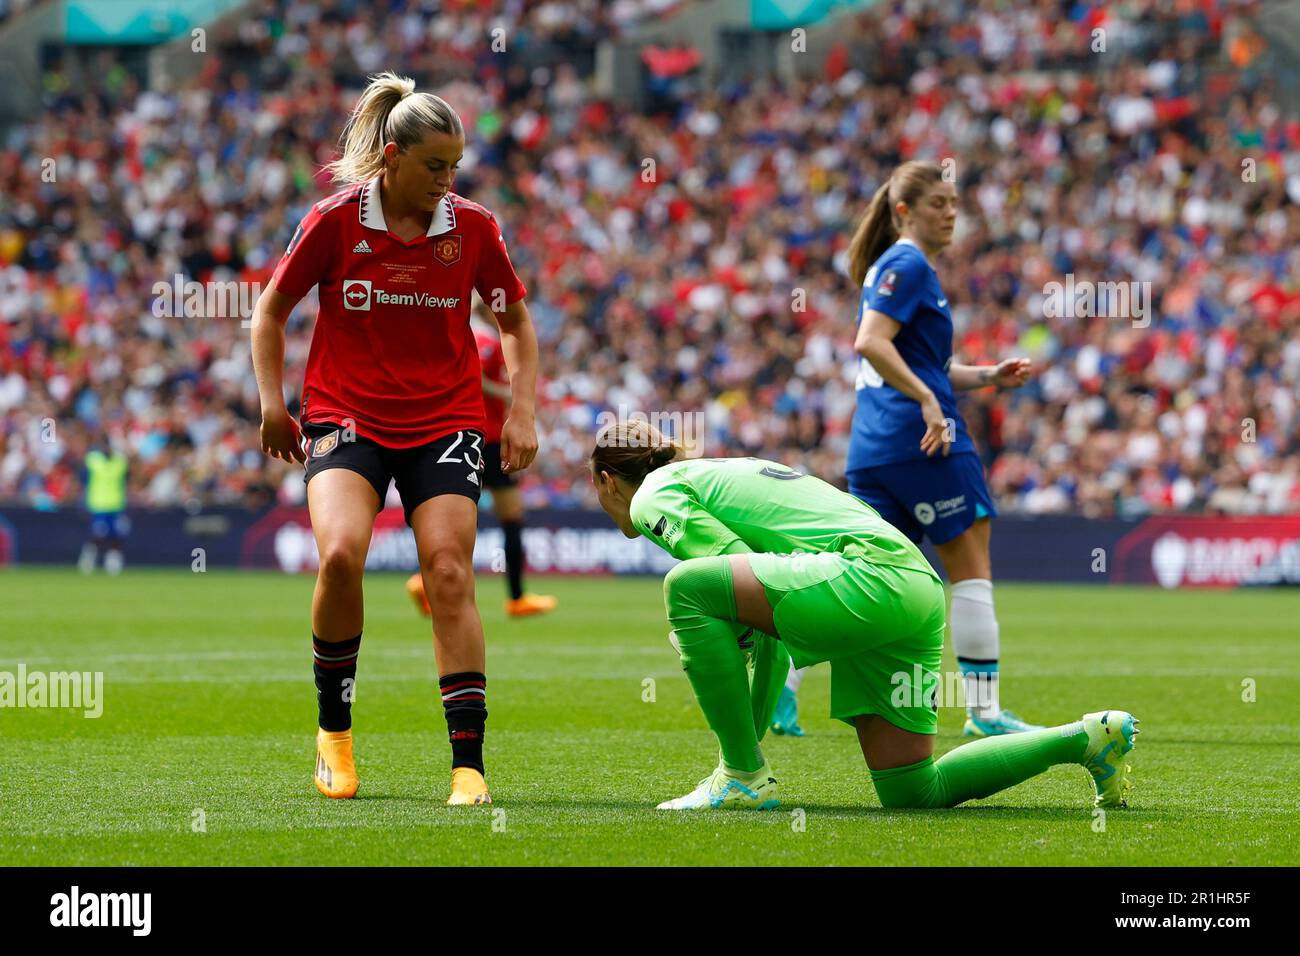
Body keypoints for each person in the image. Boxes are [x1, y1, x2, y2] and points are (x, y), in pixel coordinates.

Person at [590, 421, 1138, 811]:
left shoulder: (654, 493)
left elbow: (726, 567)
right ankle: (1086, 739)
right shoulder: (715, 473)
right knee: (913, 790)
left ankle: (742, 778)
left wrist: (744, 759)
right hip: (915, 588)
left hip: (867, 577)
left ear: (607, 481)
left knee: (685, 588)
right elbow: (761, 617)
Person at [251, 71, 540, 806]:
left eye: (455, 168)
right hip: (346, 416)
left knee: (448, 571)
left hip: (444, 420)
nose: (448, 181)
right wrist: (272, 405)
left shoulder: (473, 227)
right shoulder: (333, 220)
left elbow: (515, 322)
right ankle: (334, 736)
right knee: (342, 556)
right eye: (434, 166)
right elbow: (270, 312)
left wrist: (524, 410)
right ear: (392, 157)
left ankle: (468, 767)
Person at [841, 158, 1040, 737]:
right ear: (904, 211)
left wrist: (989, 375)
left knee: (866, 580)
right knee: (971, 569)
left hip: (873, 448)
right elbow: (871, 343)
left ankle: (786, 683)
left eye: (955, 204)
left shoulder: (890, 266)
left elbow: (918, 361)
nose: (951, 213)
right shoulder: (907, 262)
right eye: (938, 204)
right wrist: (929, 401)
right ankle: (985, 714)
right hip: (926, 442)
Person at [406, 300, 557, 619]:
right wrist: (513, 396)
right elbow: (471, 377)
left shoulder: (480, 334)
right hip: (484, 436)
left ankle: (430, 583)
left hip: (475, 434)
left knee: (475, 513)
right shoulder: (485, 338)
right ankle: (514, 597)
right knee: (503, 515)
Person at [78, 433, 129, 576]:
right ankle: (88, 559)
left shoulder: (120, 462)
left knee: (116, 536)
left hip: (116, 504)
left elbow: (126, 481)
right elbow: (84, 480)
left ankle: (113, 563)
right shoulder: (92, 461)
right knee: (97, 535)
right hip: (98, 504)